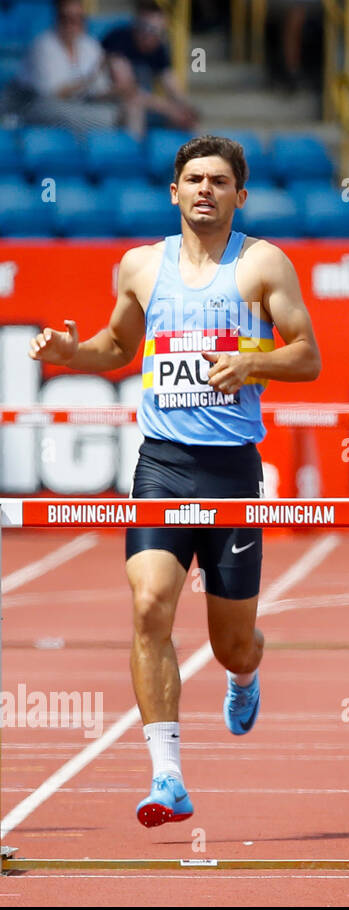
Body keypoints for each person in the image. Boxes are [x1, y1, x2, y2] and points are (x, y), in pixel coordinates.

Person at [26, 135, 322, 827]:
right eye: (193, 179)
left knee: (230, 643)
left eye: (219, 181)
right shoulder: (138, 266)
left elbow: (306, 356)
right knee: (150, 605)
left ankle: (245, 676)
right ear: (173, 191)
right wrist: (73, 355)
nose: (205, 190)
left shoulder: (260, 265)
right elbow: (118, 346)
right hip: (162, 464)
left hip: (231, 473)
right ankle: (168, 776)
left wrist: (253, 364)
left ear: (239, 195)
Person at [102, 0, 200, 137]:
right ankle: (133, 156)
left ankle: (192, 155)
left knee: (187, 119)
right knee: (134, 108)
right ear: (138, 25)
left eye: (159, 32)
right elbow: (127, 90)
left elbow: (172, 86)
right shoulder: (119, 40)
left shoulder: (158, 47)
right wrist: (169, 109)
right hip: (109, 103)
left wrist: (185, 109)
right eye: (150, 30)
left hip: (145, 104)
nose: (154, 36)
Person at [20, 0, 119, 134]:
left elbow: (98, 90)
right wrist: (89, 79)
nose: (71, 24)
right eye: (65, 18)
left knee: (118, 110)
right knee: (98, 117)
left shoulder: (90, 45)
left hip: (79, 105)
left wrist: (119, 90)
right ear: (57, 18)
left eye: (77, 19)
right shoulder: (43, 45)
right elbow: (53, 93)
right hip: (38, 105)